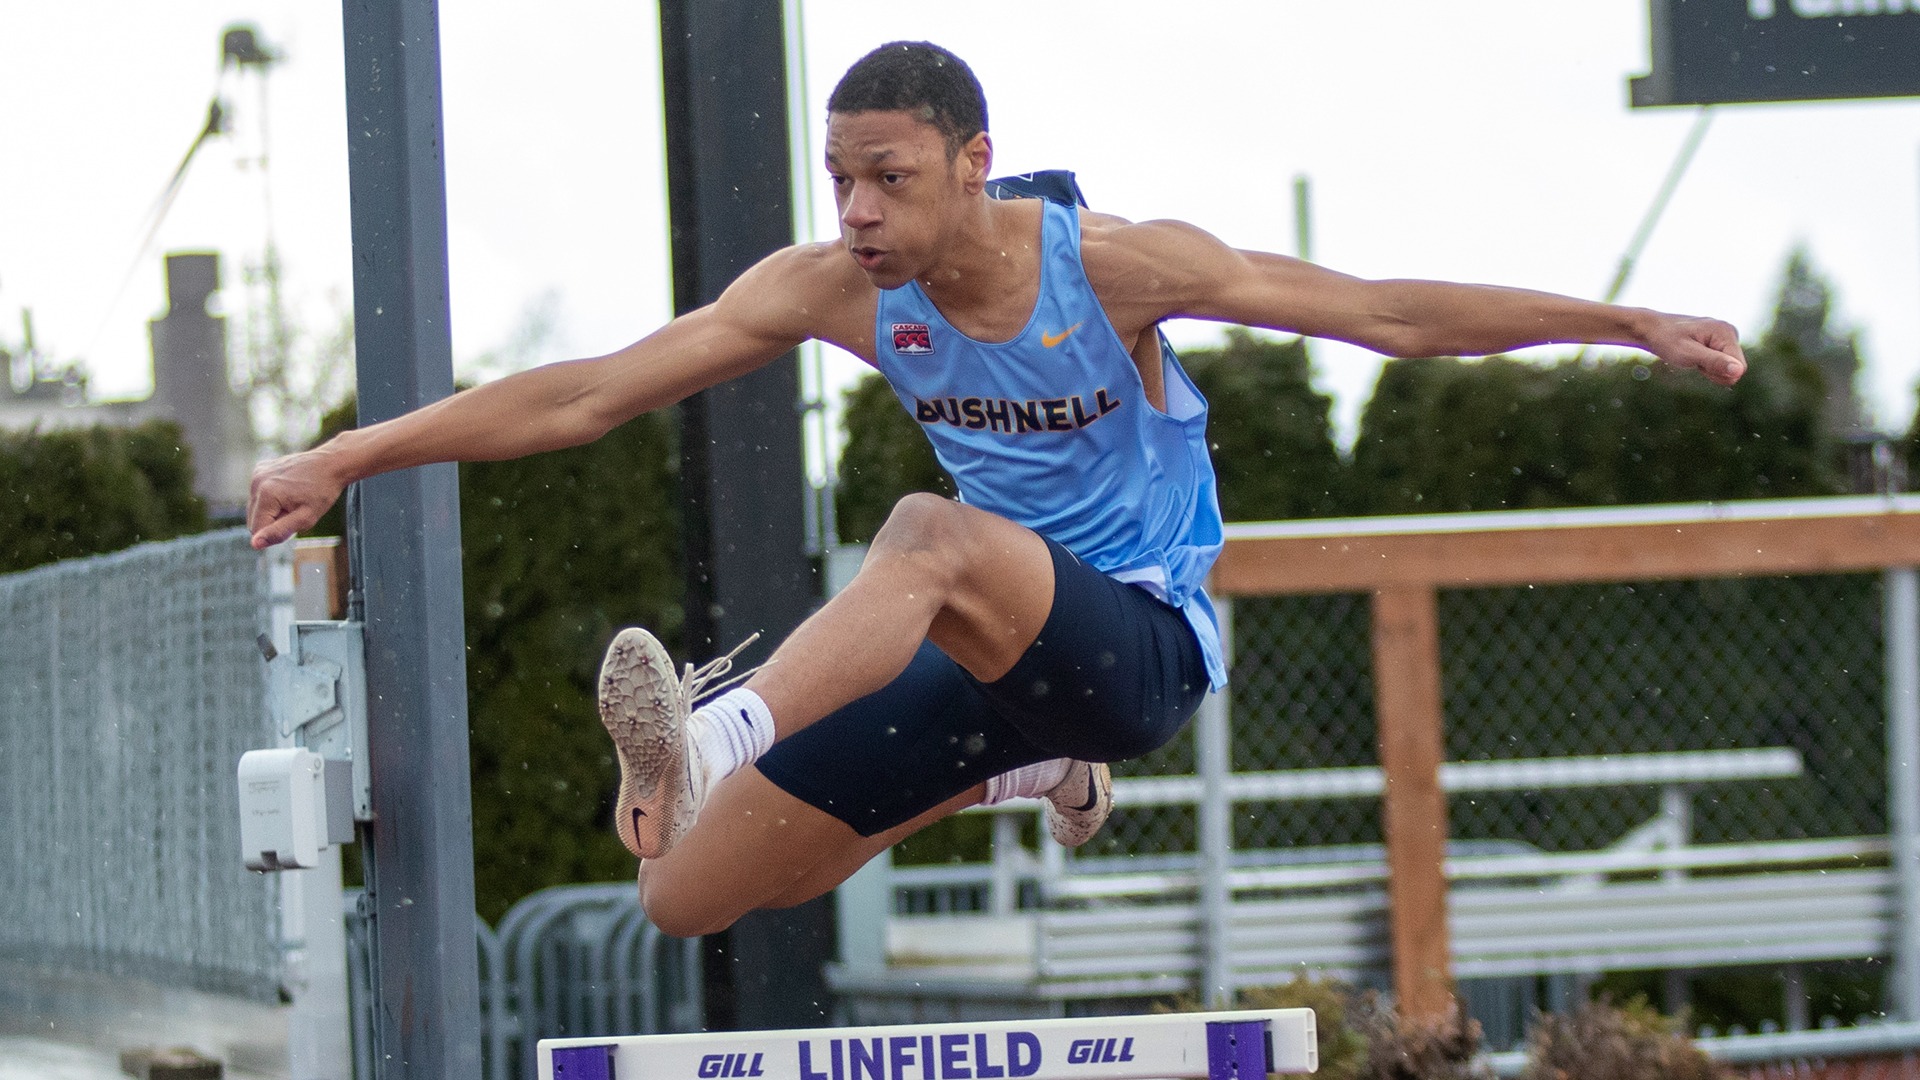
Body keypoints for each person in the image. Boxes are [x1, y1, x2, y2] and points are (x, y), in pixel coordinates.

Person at [247, 41, 1747, 938]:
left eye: (890, 178)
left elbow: (1384, 313)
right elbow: (587, 391)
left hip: (1144, 645)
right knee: (679, 899)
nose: (856, 213)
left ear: (978, 164)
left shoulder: (1115, 268)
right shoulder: (838, 285)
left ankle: (714, 733)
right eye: (840, 178)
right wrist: (344, 459)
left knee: (927, 534)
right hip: (997, 668)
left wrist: (1621, 324)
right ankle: (1024, 775)